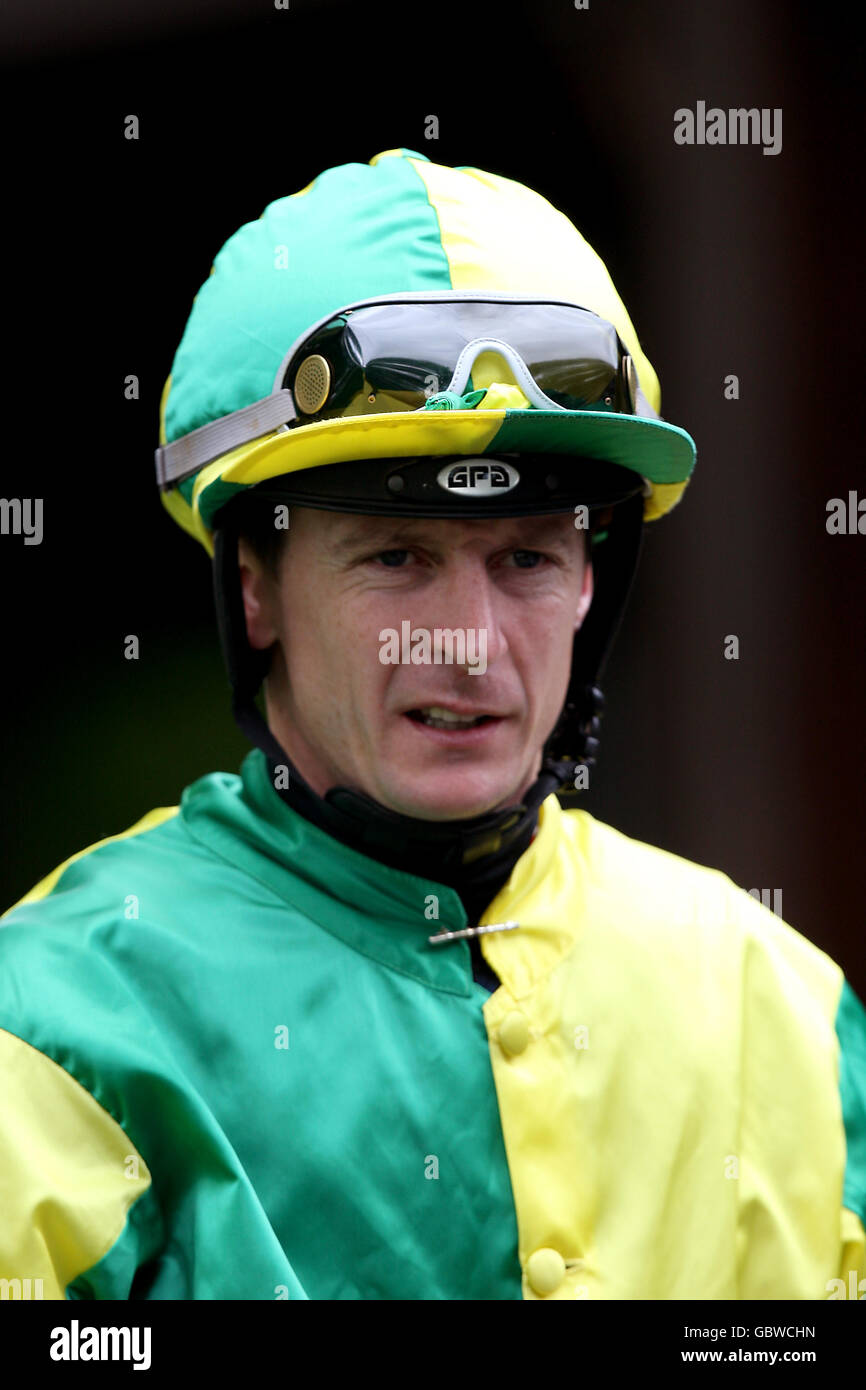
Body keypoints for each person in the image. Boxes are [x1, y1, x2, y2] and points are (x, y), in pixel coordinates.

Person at [1, 148, 863, 1302]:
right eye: (396, 558)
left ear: (591, 585)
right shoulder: (49, 1025)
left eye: (525, 559)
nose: (466, 639)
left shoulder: (787, 1006)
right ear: (252, 582)